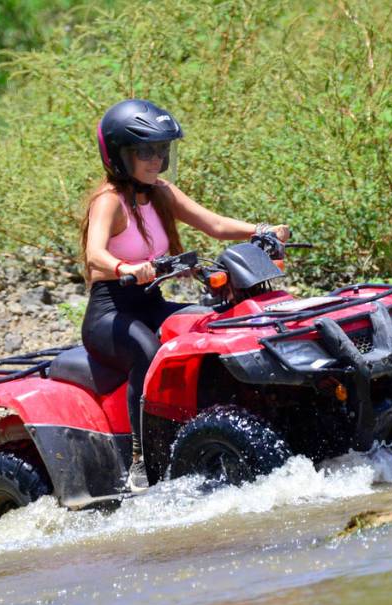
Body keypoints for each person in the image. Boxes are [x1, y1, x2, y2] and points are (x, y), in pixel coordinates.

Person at [79, 99, 288, 488]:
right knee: (147, 351)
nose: (155, 159)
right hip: (111, 315)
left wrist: (261, 230)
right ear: (118, 154)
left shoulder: (160, 192)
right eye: (144, 151)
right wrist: (126, 268)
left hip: (152, 304)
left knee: (208, 326)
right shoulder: (109, 200)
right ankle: (143, 461)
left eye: (161, 150)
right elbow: (95, 254)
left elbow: (215, 224)